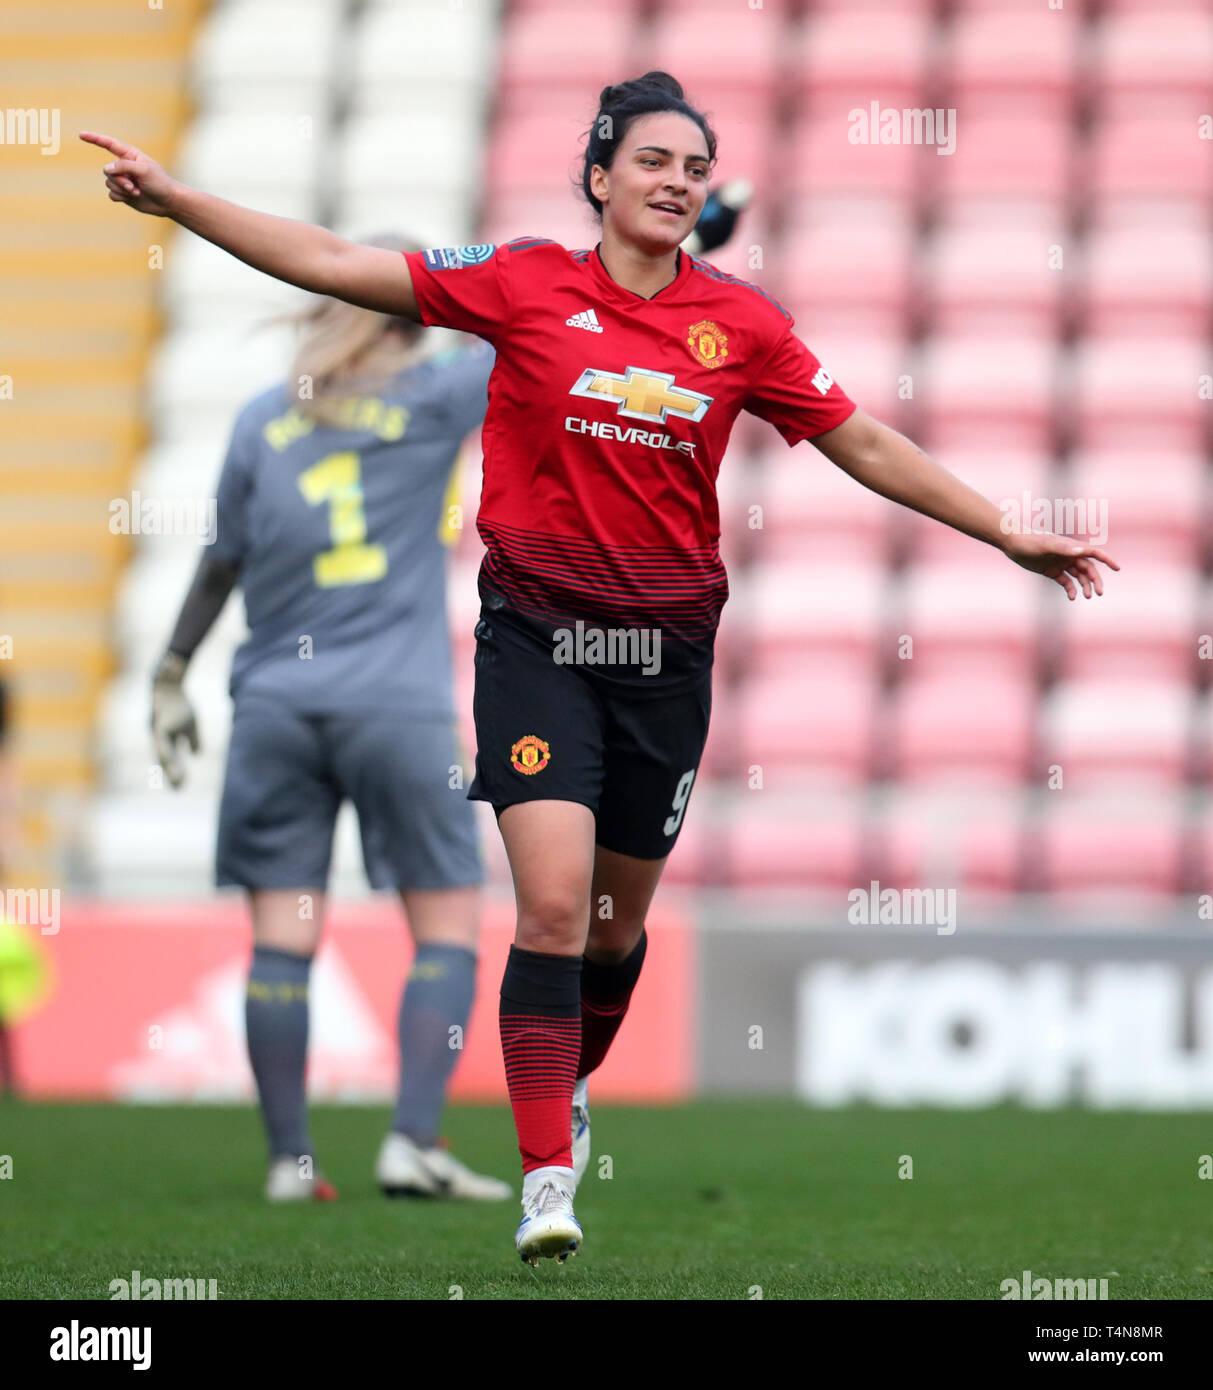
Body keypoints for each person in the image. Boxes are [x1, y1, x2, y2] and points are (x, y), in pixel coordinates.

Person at [82, 70, 1117, 1264]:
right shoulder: (520, 282)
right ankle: (542, 1177)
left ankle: (560, 1091)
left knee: (615, 936)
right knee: (556, 907)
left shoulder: (745, 326)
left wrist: (1004, 529)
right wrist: (177, 201)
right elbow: (330, 263)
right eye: (652, 162)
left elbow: (865, 443)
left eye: (692, 167)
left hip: (664, 659)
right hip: (537, 644)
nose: (674, 182)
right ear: (599, 176)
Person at [150, 236, 510, 1203]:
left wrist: (171, 673)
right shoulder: (433, 401)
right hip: (397, 705)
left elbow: (219, 561)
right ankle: (413, 1141)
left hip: (274, 706)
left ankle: (287, 1162)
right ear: (406, 321)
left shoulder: (264, 419)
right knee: (445, 924)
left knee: (282, 936)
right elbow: (527, 317)